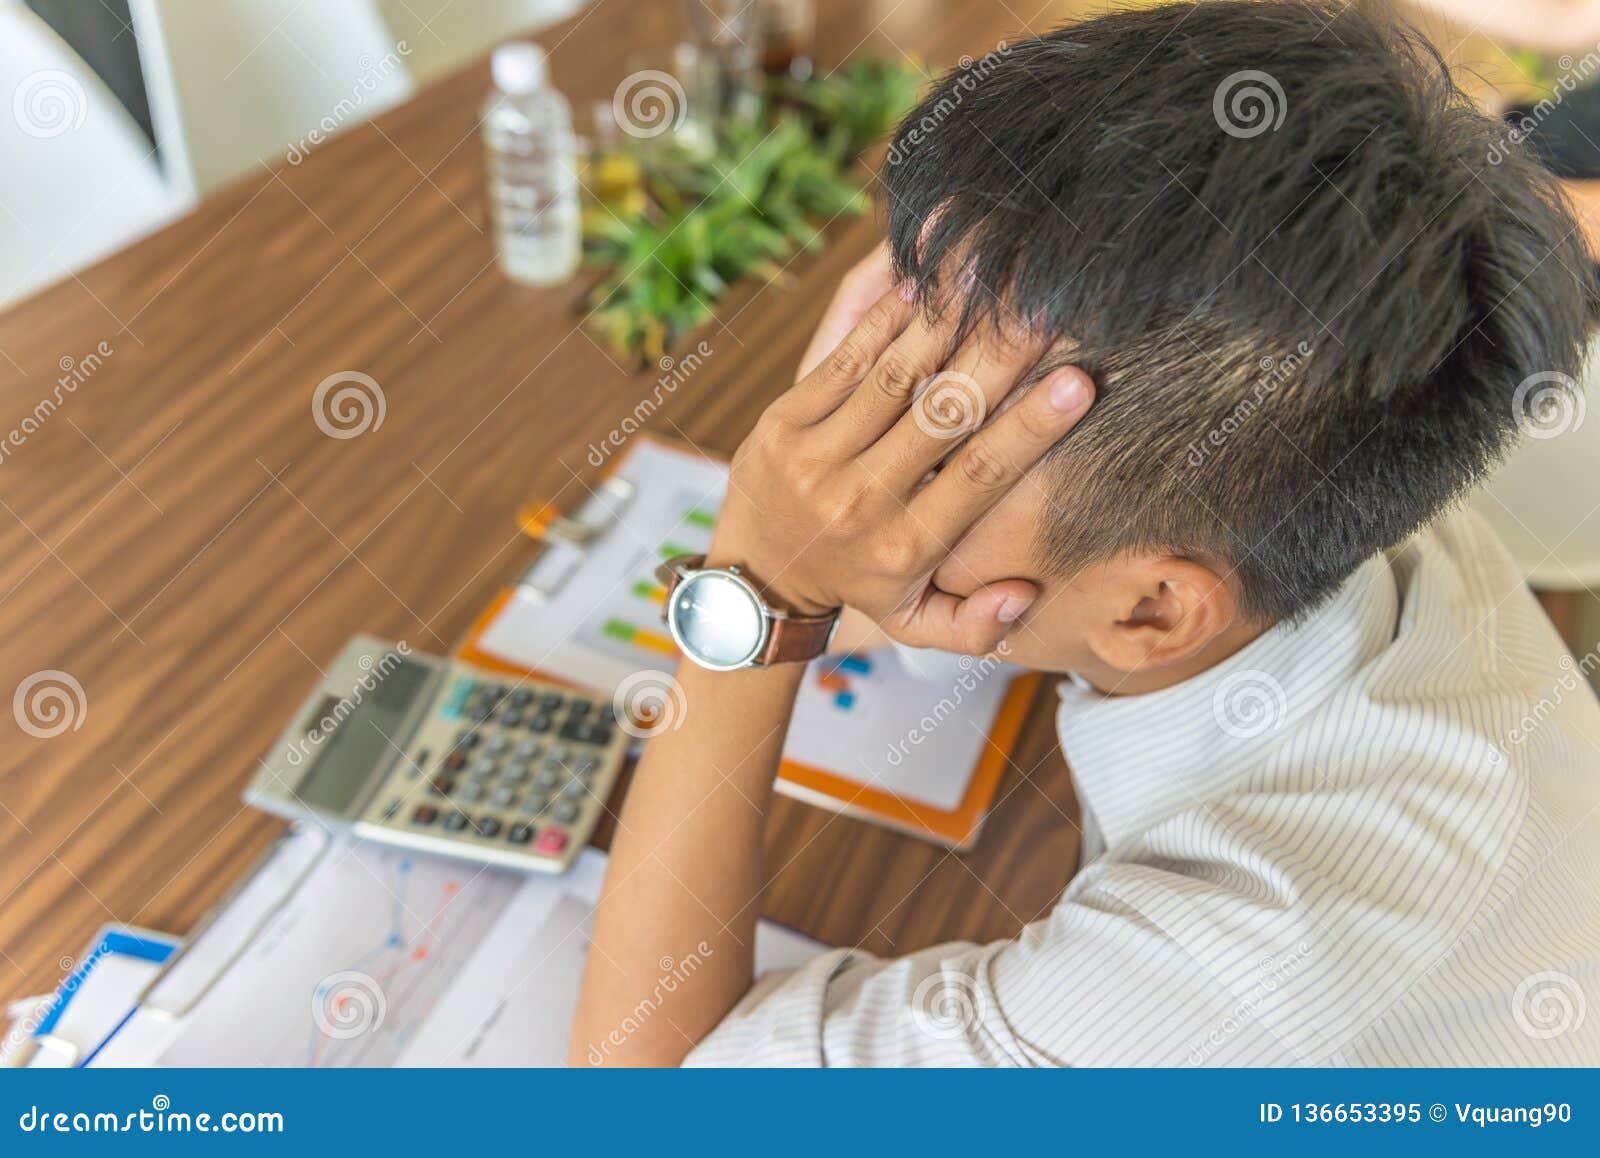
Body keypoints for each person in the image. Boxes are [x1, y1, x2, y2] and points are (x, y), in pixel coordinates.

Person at [570, 0, 1600, 1066]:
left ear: (1152, 609)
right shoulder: (1352, 465)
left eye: (940, 446)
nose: (852, 454)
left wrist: (754, 582)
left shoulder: (1217, 976)